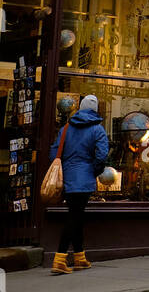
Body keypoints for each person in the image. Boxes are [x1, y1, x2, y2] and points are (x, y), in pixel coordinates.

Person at [46, 94, 109, 276]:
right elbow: (101, 155)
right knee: (74, 218)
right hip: (84, 178)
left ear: (80, 108)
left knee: (77, 216)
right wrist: (94, 171)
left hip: (67, 178)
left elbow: (54, 151)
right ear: (96, 109)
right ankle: (59, 259)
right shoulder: (97, 129)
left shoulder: (66, 128)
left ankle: (80, 258)